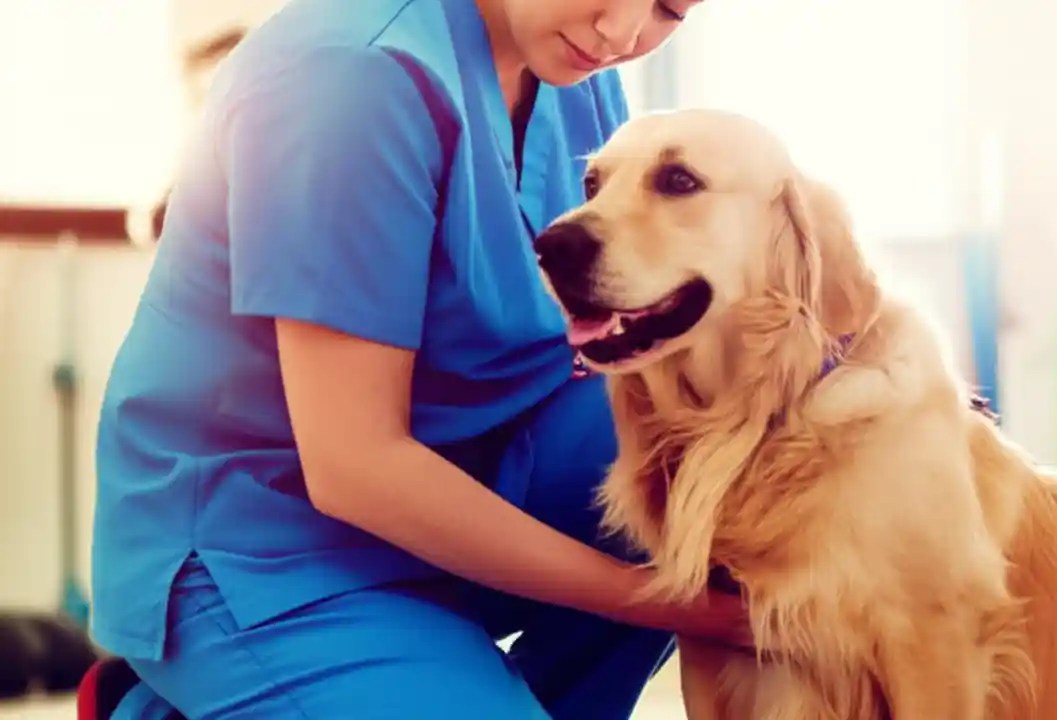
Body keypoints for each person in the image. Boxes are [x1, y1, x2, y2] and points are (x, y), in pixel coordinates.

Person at [91, 0, 750, 717]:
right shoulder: (348, 77)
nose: (623, 33)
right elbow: (354, 466)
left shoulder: (574, 63)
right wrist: (655, 602)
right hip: (267, 548)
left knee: (709, 467)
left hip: (475, 470)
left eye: (667, 9)